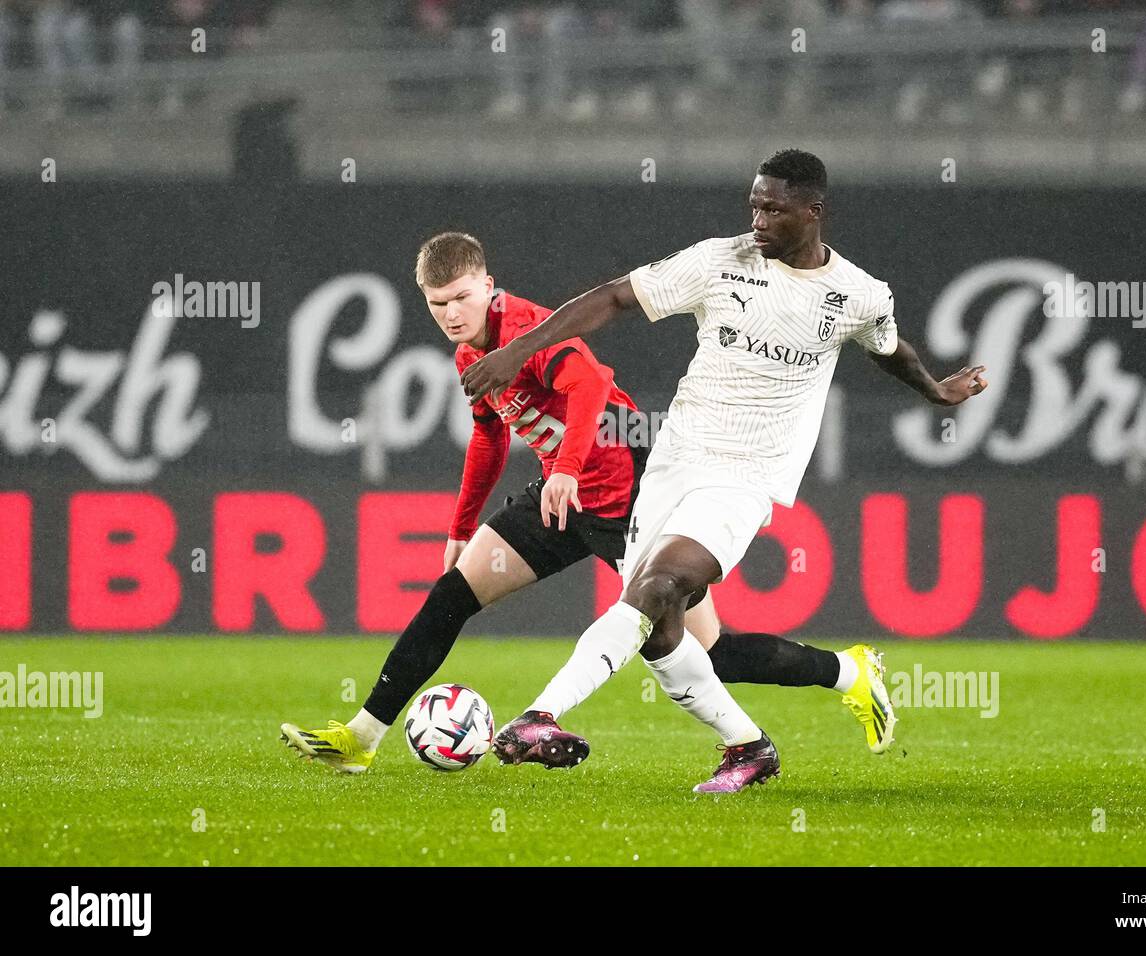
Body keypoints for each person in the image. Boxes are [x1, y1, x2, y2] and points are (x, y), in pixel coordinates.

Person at [462, 149, 989, 793]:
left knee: (658, 587)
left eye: (774, 209)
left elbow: (888, 348)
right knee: (656, 627)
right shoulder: (719, 261)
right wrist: (519, 348)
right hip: (675, 461)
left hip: (748, 475)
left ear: (813, 212)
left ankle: (538, 718)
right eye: (754, 205)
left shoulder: (858, 294)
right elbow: (615, 298)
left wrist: (936, 389)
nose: (758, 220)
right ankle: (751, 744)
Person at [280, 230, 899, 774]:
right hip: (561, 500)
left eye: (462, 297)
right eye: (437, 304)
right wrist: (460, 529)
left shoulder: (527, 332)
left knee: (712, 653)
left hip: (629, 498)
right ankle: (361, 739)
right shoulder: (471, 351)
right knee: (451, 596)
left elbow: (591, 384)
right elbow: (489, 435)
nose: (451, 313)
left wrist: (568, 469)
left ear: (488, 286)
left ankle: (848, 672)